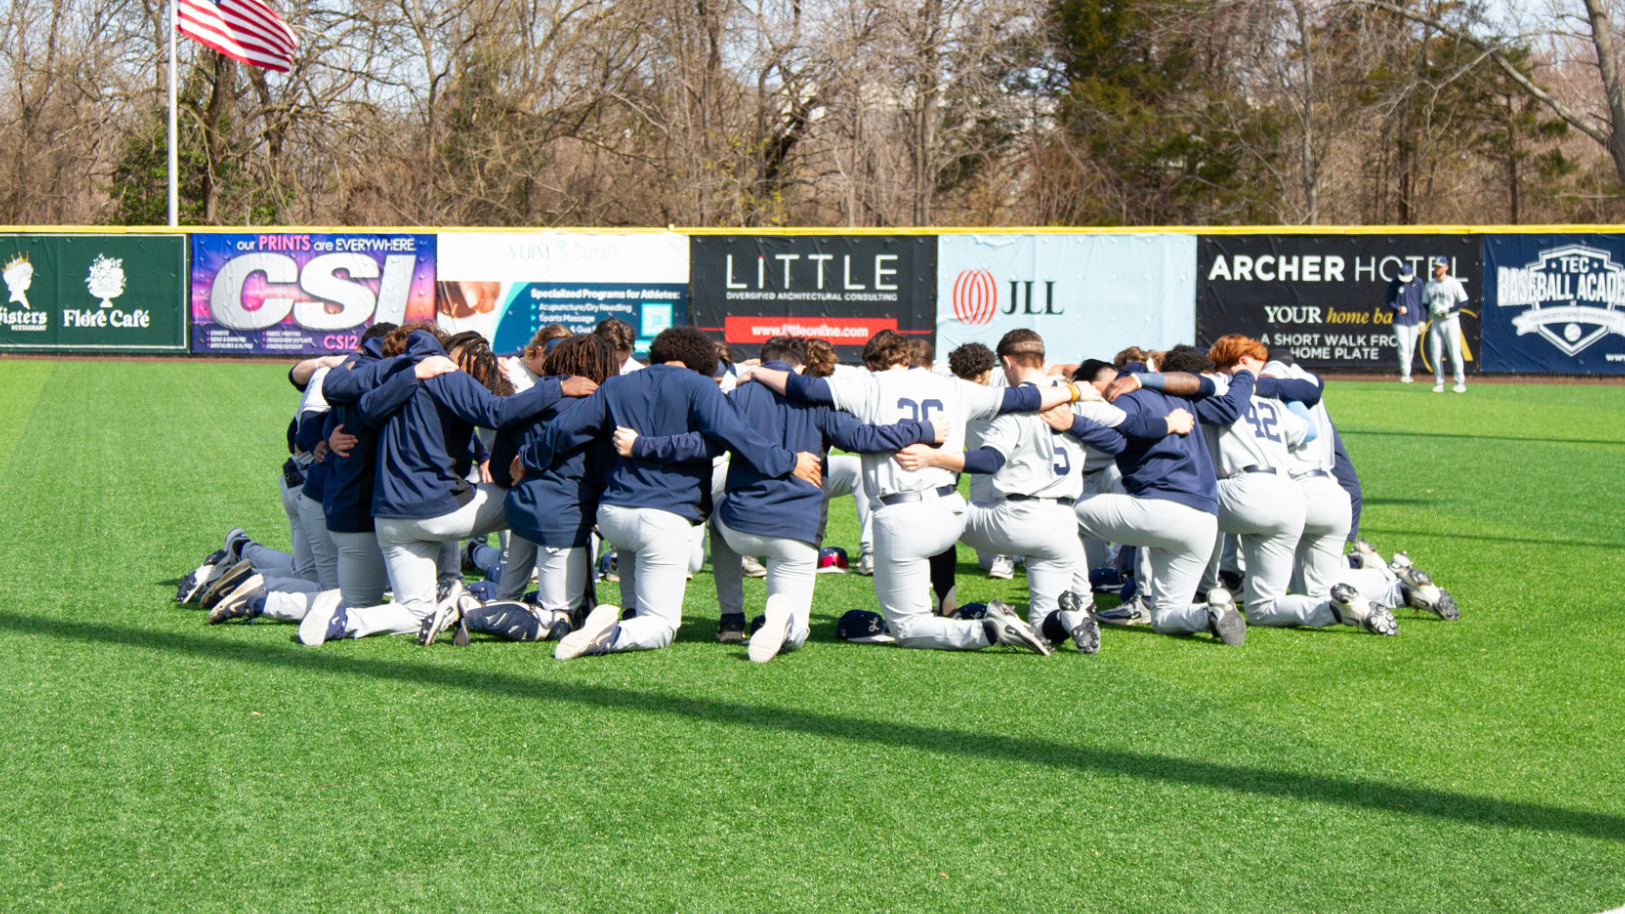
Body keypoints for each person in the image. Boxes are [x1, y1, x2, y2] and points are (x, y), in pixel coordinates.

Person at [741, 330, 1086, 655]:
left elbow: (799, 386)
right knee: (948, 550)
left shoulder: (866, 383)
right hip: (951, 511)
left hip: (902, 515)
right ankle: (978, 607)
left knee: (907, 627)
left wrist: (757, 374)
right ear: (910, 359)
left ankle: (989, 629)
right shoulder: (953, 387)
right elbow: (1025, 397)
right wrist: (1074, 392)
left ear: (872, 363)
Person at [620, 334, 945, 662]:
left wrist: (641, 445)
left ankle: (732, 617)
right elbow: (863, 438)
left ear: (761, 364)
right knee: (797, 631)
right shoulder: (818, 400)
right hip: (798, 528)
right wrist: (923, 430)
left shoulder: (739, 395)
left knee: (716, 515)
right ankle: (782, 620)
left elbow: (704, 443)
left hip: (741, 524)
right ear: (802, 367)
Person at [521, 326, 822, 660]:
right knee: (662, 626)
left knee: (637, 577)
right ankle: (610, 633)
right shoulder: (700, 386)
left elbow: (563, 430)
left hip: (613, 514)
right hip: (664, 516)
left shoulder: (616, 384)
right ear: (698, 365)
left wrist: (527, 459)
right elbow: (736, 436)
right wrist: (789, 460)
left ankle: (627, 614)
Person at [296, 325, 593, 646]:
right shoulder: (447, 375)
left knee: (415, 612)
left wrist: (327, 432)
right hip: (434, 509)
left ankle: (343, 620)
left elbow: (355, 403)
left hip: (388, 519)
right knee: (530, 498)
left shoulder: (396, 375)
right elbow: (497, 411)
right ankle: (505, 599)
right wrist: (558, 389)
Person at [1423, 257, 1468, 393]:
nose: (1437, 268)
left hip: (1451, 320)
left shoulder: (1453, 283)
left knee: (1454, 352)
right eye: (1436, 266)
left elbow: (1464, 301)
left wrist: (1449, 309)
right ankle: (1439, 382)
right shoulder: (1430, 285)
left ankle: (1459, 382)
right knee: (1435, 353)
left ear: (1446, 267)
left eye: (1440, 266)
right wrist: (1432, 308)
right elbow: (1425, 302)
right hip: (1436, 321)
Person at [1386, 262, 1425, 383]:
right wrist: (1398, 307)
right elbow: (1389, 300)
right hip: (1400, 320)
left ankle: (1407, 371)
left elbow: (1422, 303)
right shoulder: (1394, 283)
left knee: (1411, 347)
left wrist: (1422, 320)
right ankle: (1405, 373)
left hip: (1414, 320)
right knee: (1403, 347)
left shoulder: (1418, 283)